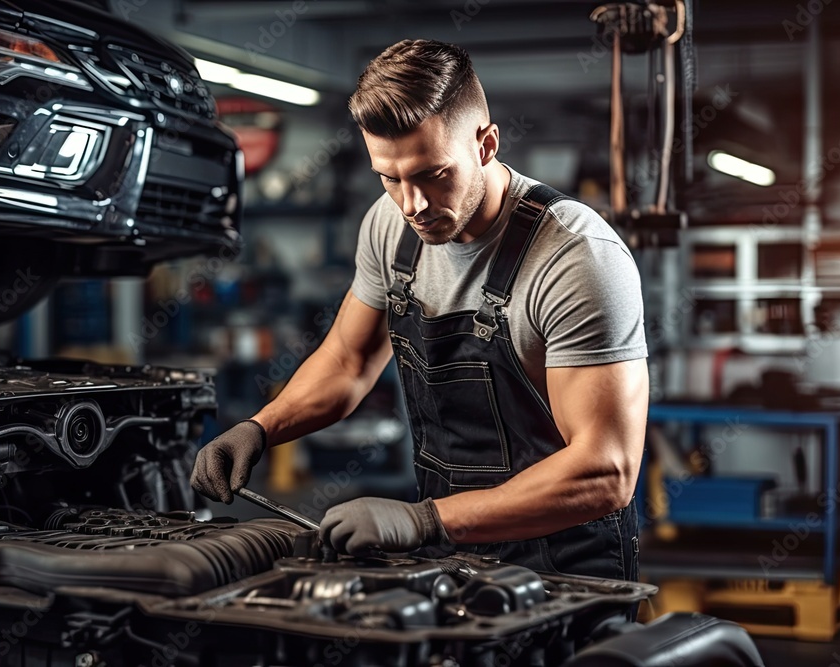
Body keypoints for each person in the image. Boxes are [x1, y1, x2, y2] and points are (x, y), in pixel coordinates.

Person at [190, 39, 649, 582]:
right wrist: (261, 428)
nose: (414, 205)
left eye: (433, 174)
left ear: (486, 144)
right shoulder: (389, 227)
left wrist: (425, 521)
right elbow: (348, 361)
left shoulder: (577, 258)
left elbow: (604, 470)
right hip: (447, 551)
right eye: (390, 177)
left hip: (567, 565)